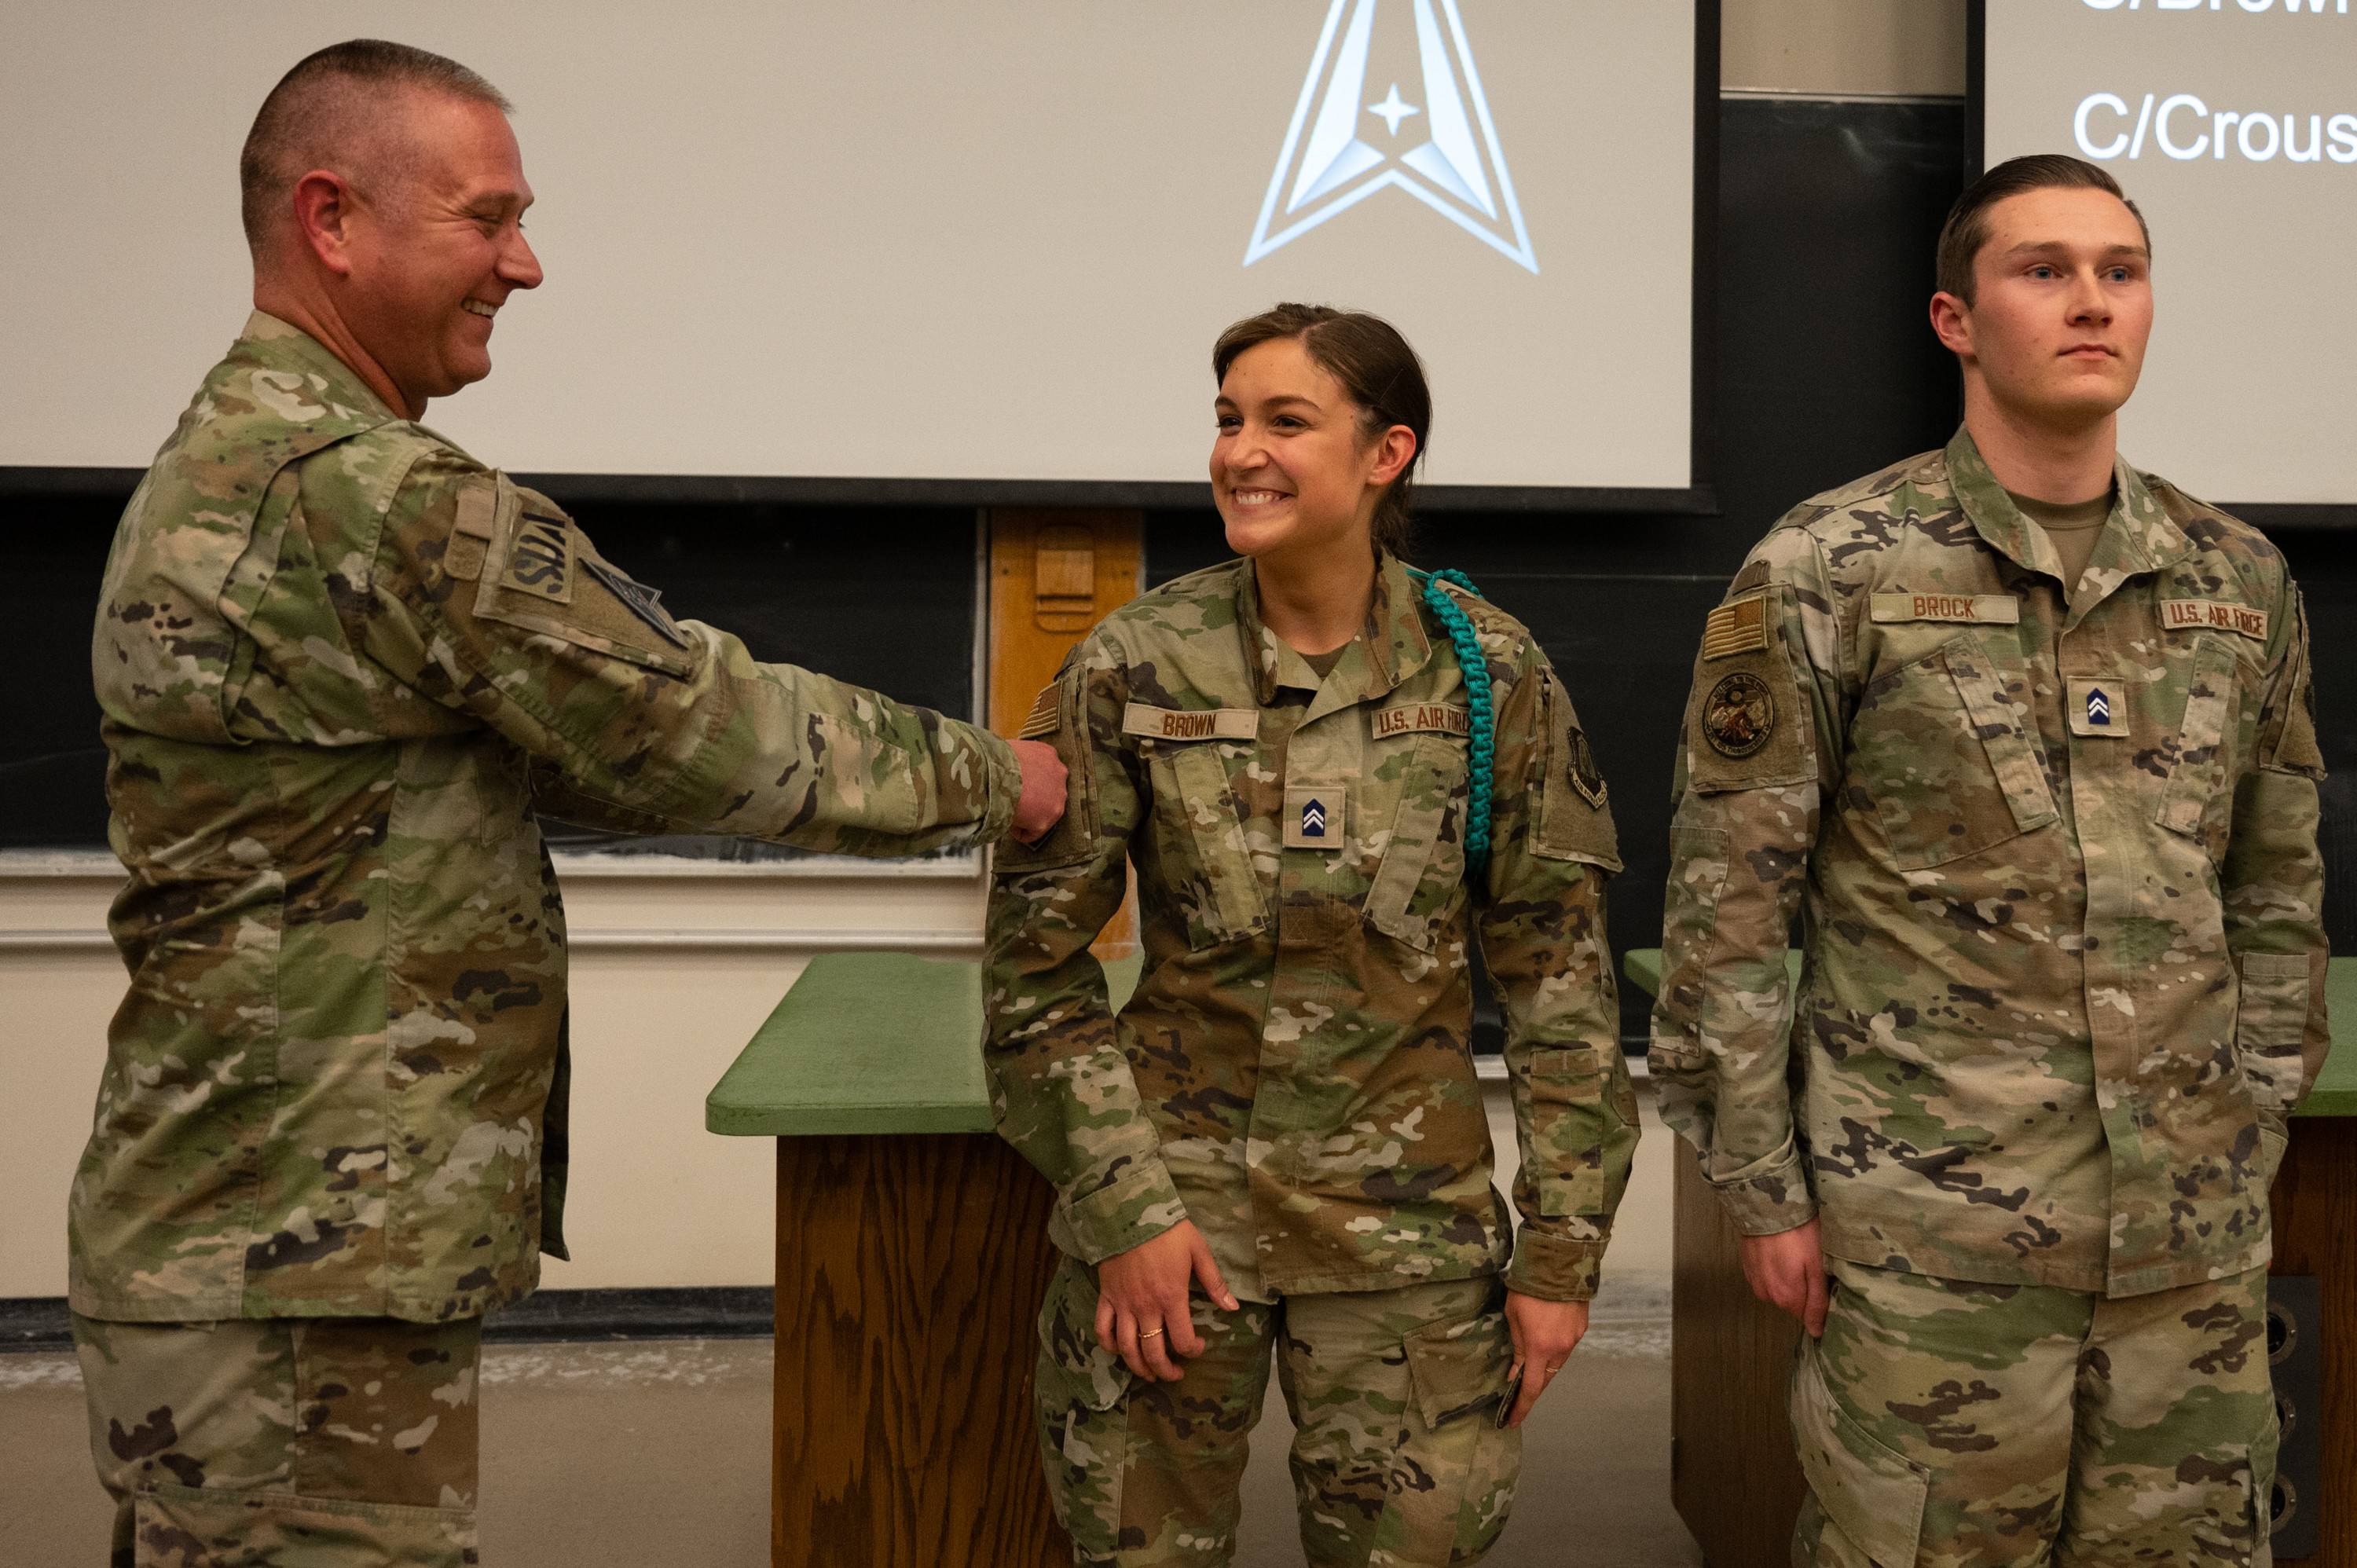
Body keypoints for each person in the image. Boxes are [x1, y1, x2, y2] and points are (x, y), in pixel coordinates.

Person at [70, 38, 1065, 1565]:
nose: (523, 263)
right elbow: (694, 725)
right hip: (301, 1274)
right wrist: (1010, 779)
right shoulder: (382, 497)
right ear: (333, 219)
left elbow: (571, 747)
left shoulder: (220, 463)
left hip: (238, 1233)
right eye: (486, 218)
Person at [1651, 153, 2330, 1566]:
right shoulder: (1829, 569)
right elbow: (1732, 907)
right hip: (1930, 1246)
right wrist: (1767, 1192)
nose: (2093, 303)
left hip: (2186, 1251)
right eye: (2046, 271)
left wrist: (2254, 1112)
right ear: (1956, 318)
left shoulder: (2237, 577)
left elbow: (2276, 882)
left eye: (2120, 272)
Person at [985, 303, 1636, 1567]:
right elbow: (1034, 972)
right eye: (1228, 421)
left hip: (1409, 1255)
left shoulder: (1488, 675)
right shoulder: (1136, 664)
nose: (1241, 452)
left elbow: (1561, 988)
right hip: (1176, 1236)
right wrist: (1123, 1210)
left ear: (1386, 454)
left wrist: (1561, 1254)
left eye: (1286, 421)